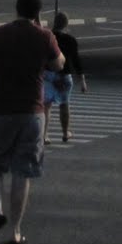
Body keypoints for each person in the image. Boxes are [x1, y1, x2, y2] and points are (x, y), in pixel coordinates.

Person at [0, 0, 64, 244]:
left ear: (17, 8)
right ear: (38, 12)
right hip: (32, 113)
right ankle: (14, 231)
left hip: (0, 109)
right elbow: (59, 64)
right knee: (22, 171)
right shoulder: (44, 36)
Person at [42, 11, 86, 144]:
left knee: (46, 106)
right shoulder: (70, 40)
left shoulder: (47, 37)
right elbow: (76, 61)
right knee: (64, 104)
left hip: (48, 75)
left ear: (54, 23)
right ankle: (65, 132)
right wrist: (82, 80)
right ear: (66, 24)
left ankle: (44, 135)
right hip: (64, 76)